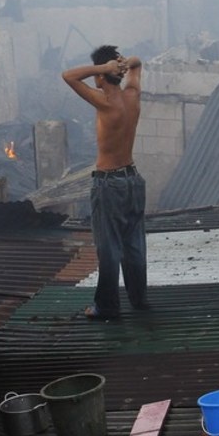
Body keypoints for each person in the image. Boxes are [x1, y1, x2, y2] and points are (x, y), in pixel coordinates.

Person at [62, 44, 149, 320]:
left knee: (109, 248)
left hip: (109, 183)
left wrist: (103, 67)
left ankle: (107, 307)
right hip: (133, 180)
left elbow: (68, 76)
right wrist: (122, 64)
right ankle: (138, 300)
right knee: (134, 244)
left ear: (101, 76)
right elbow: (137, 64)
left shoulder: (105, 101)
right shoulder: (132, 96)